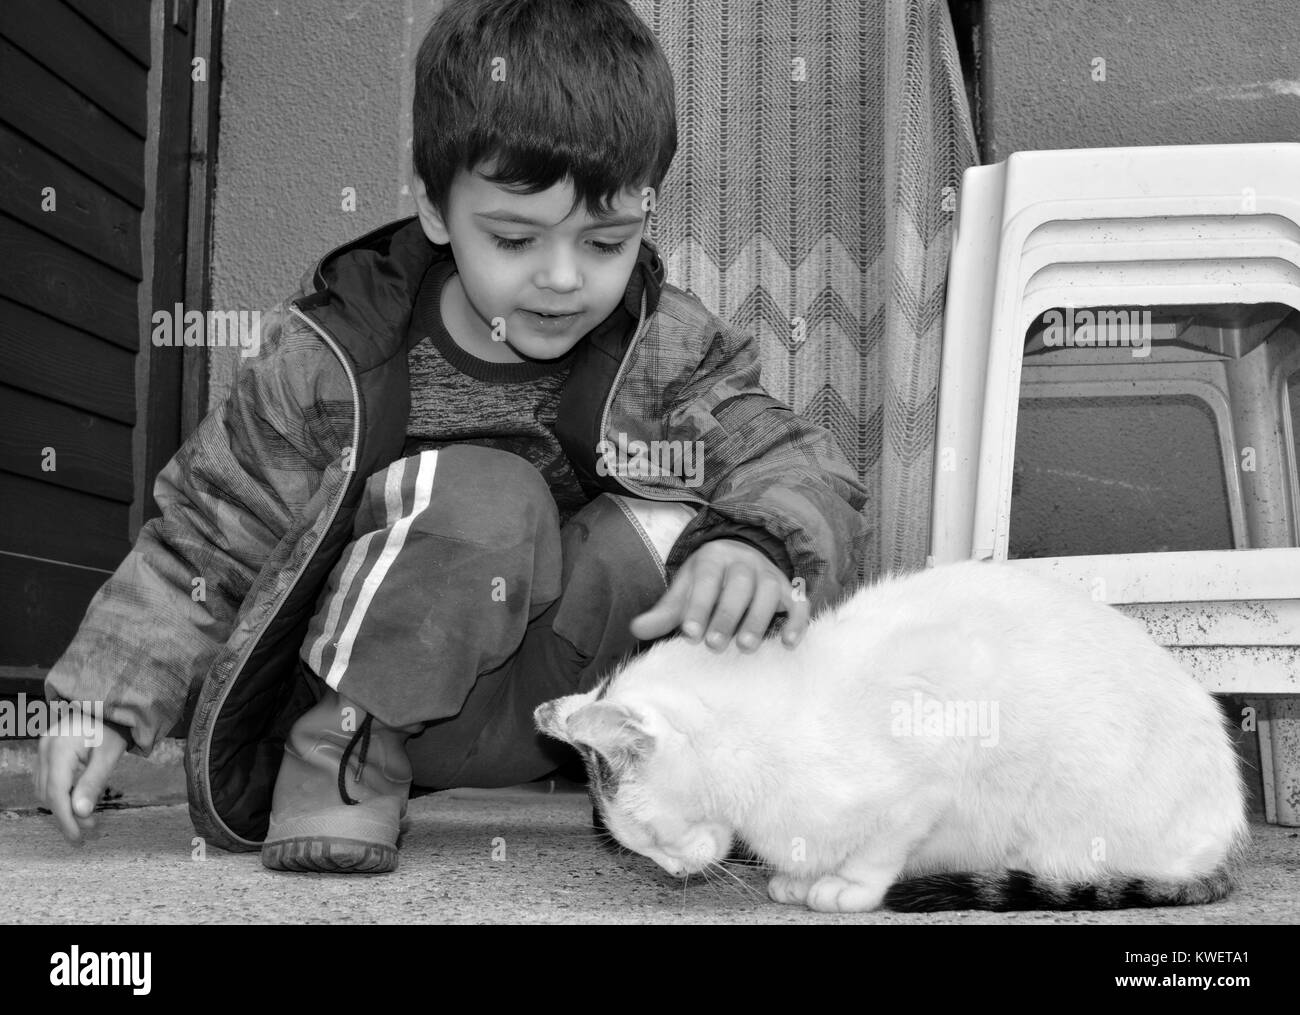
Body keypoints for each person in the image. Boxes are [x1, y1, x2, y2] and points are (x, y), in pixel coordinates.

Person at [36, 0, 869, 874]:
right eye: (514, 237)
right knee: (488, 496)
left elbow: (793, 460)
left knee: (676, 532)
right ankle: (345, 754)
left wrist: (756, 542)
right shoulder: (339, 353)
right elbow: (212, 530)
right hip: (372, 690)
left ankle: (646, 782)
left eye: (606, 241)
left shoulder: (666, 345)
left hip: (551, 714)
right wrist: (102, 699)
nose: (561, 278)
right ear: (435, 207)